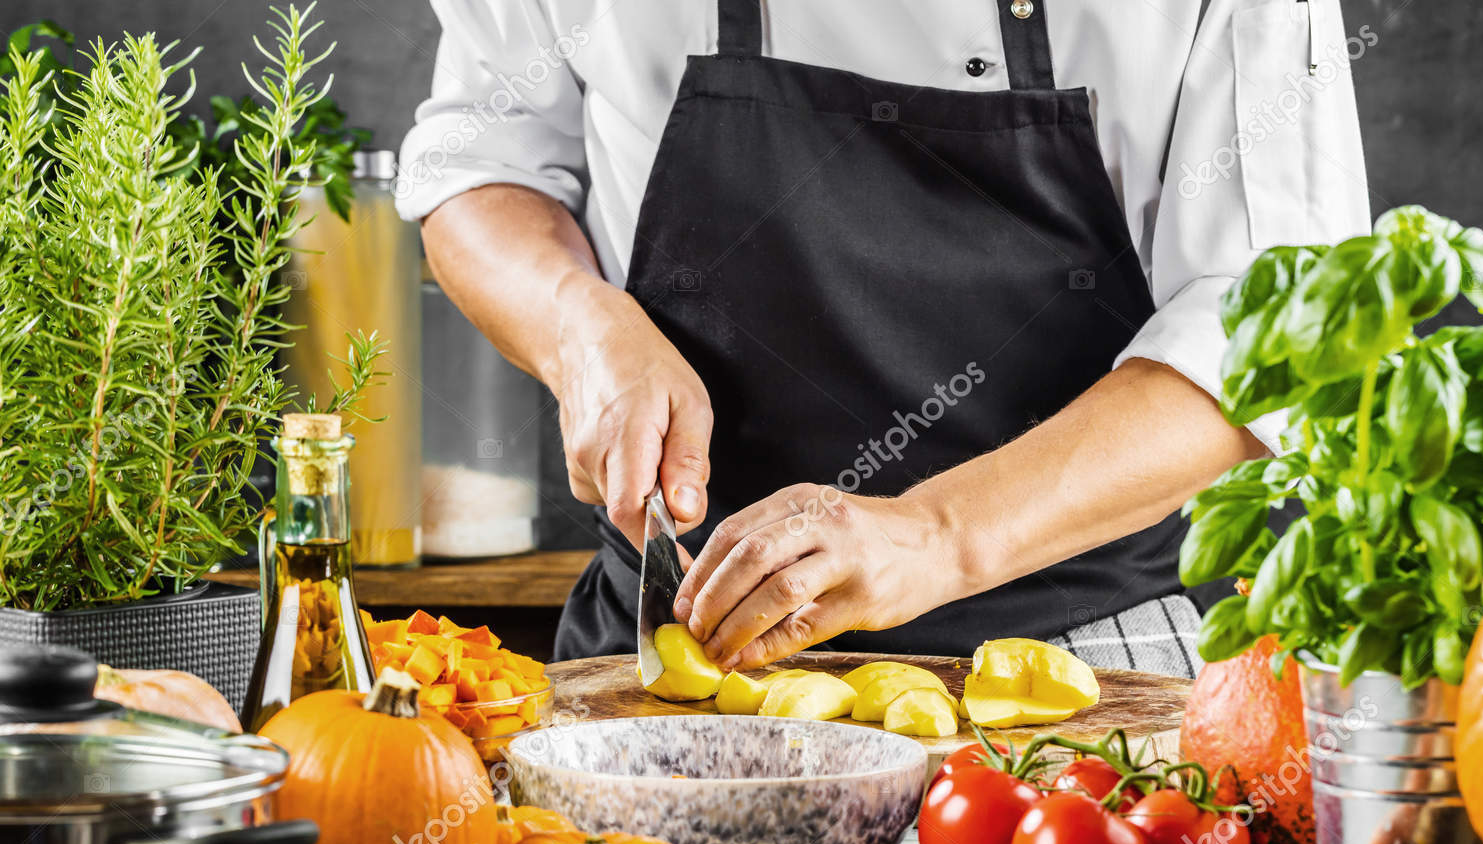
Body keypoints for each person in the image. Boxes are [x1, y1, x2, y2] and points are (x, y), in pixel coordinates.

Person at [398, 0, 1369, 676]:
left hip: (1084, 672)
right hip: (671, 654)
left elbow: (1279, 331)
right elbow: (482, 168)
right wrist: (579, 325)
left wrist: (933, 536)